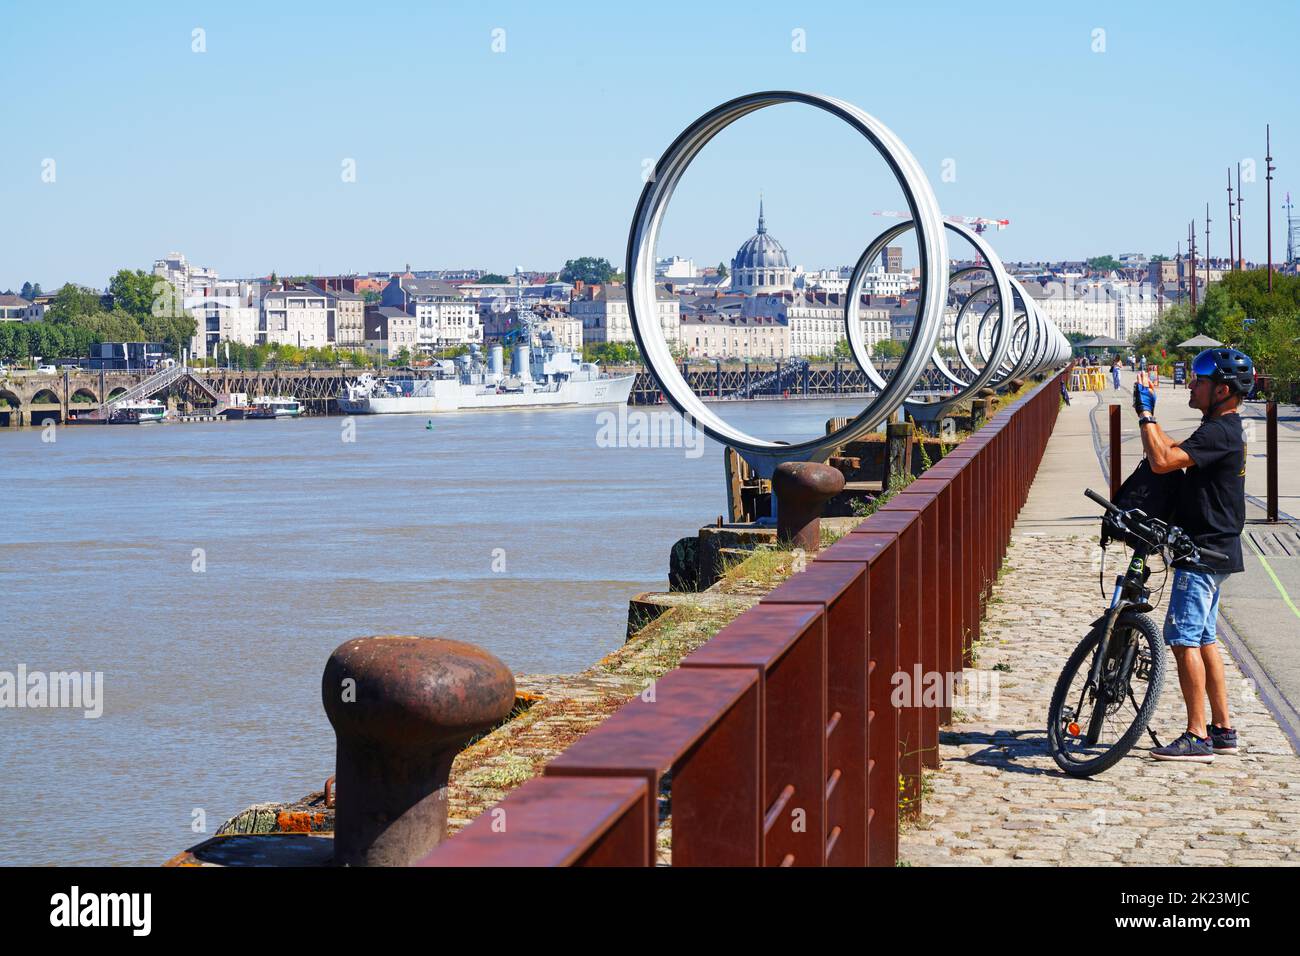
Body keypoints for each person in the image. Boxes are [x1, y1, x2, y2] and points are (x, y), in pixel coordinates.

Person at [1132, 348, 1253, 763]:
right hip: (1217, 549)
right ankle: (1223, 729)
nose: (1191, 385)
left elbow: (1162, 460)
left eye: (1198, 380)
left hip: (1201, 552)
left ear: (1221, 390)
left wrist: (1145, 415)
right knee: (1204, 639)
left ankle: (1197, 735)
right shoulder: (1220, 429)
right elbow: (1172, 450)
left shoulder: (1220, 432)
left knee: (1183, 639)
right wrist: (1151, 416)